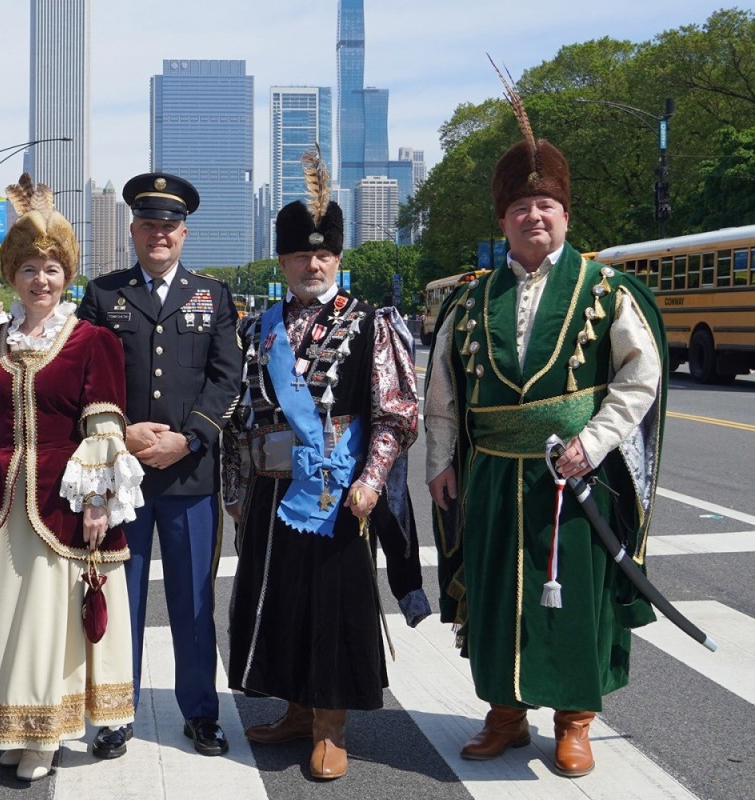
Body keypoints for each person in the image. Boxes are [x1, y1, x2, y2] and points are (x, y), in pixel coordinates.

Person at [424, 76, 667, 779]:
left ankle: (573, 721)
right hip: (495, 473)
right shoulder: (471, 303)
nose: (535, 216)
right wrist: (441, 462)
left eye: (547, 205)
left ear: (565, 215)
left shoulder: (604, 290)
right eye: (522, 207)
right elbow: (444, 395)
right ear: (502, 220)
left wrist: (592, 445)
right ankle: (504, 713)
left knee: (572, 600)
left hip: (576, 477)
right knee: (498, 592)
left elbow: (639, 377)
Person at [223, 150, 428, 780]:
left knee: (332, 605)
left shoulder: (372, 323)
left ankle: (331, 724)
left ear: (338, 258)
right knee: (275, 599)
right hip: (269, 486)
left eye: (325, 255)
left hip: (338, 489)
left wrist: (370, 479)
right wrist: (236, 488)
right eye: (301, 256)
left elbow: (397, 413)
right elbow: (240, 411)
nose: (314, 265)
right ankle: (294, 705)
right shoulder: (259, 327)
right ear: (282, 261)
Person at [0, 174, 142, 782]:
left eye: (51, 268)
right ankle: (12, 724)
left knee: (51, 618)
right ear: (11, 277)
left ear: (66, 275)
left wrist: (100, 503)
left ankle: (45, 735)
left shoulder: (92, 341)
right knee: (5, 613)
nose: (41, 280)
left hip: (61, 502)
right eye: (29, 269)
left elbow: (103, 430)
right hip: (2, 502)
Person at [77, 172, 242, 759]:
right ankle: (117, 712)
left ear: (184, 233)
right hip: (123, 477)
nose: (159, 234)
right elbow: (87, 375)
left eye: (169, 226)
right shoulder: (102, 294)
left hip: (190, 476)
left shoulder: (213, 296)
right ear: (133, 231)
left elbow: (227, 379)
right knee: (122, 601)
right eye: (148, 224)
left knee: (194, 602)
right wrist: (121, 430)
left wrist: (191, 438)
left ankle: (200, 712)